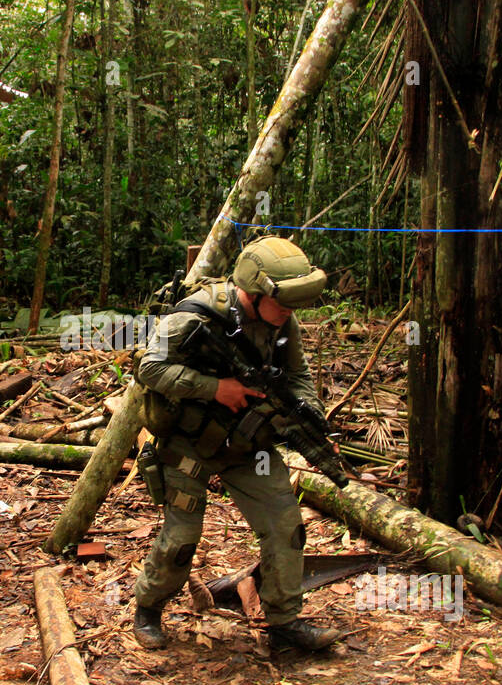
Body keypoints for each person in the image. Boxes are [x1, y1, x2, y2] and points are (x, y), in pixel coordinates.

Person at [131, 236, 343, 651]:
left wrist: (312, 419)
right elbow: (148, 367)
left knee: (286, 527)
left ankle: (284, 623)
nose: (288, 314)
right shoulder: (195, 317)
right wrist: (215, 388)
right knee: (182, 537)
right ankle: (148, 608)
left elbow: (297, 376)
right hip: (188, 443)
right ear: (253, 292)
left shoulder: (283, 321)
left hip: (248, 444)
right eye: (281, 304)